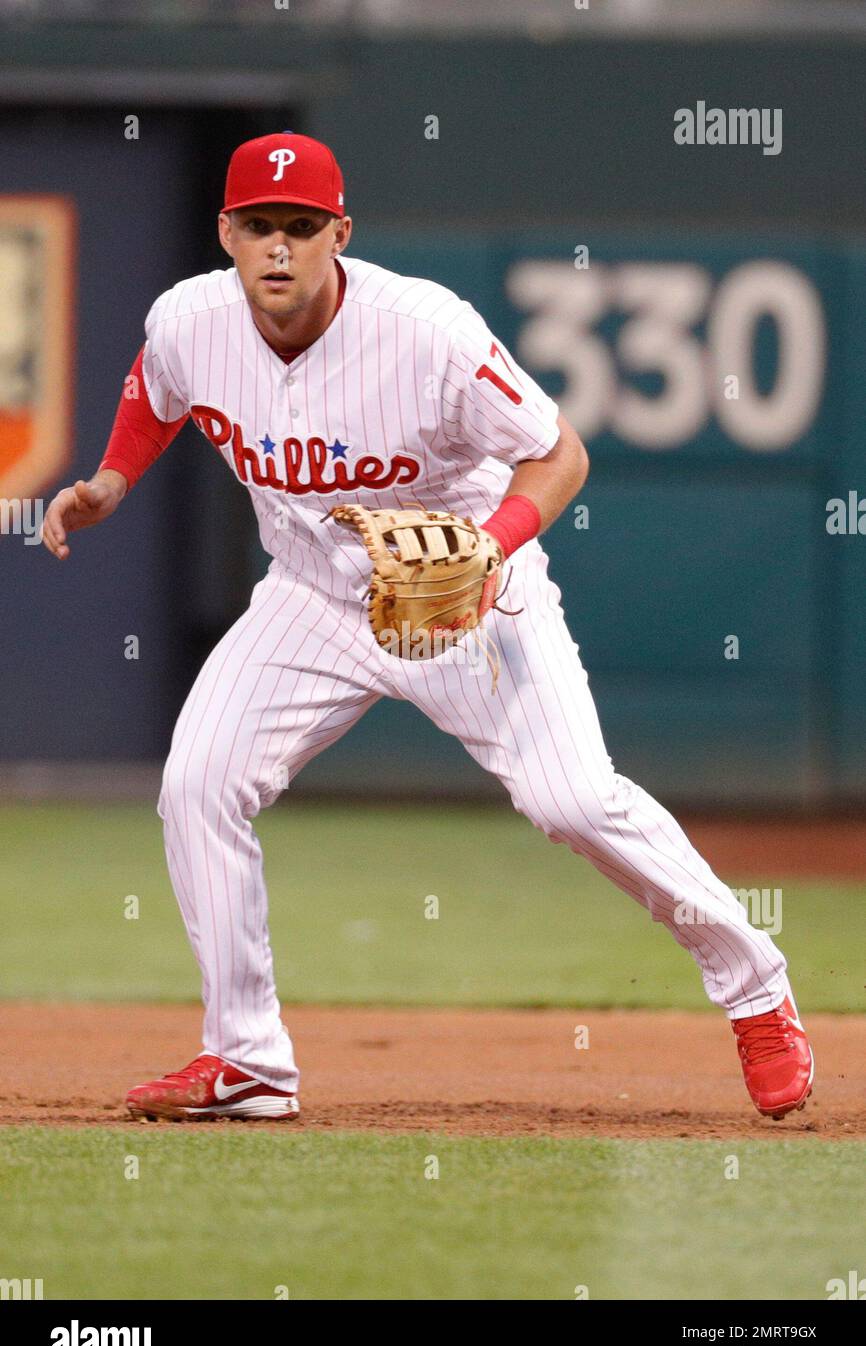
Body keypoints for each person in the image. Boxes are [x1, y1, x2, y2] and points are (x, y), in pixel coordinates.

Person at [42, 132, 814, 1123]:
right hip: (311, 598)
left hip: (464, 596)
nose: (279, 247)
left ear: (339, 234)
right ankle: (246, 1062)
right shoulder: (192, 319)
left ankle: (752, 986)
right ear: (226, 233)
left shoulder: (424, 332)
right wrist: (110, 479)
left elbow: (558, 453)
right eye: (260, 227)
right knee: (197, 784)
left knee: (571, 800)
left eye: (302, 227)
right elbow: (155, 389)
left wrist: (488, 546)